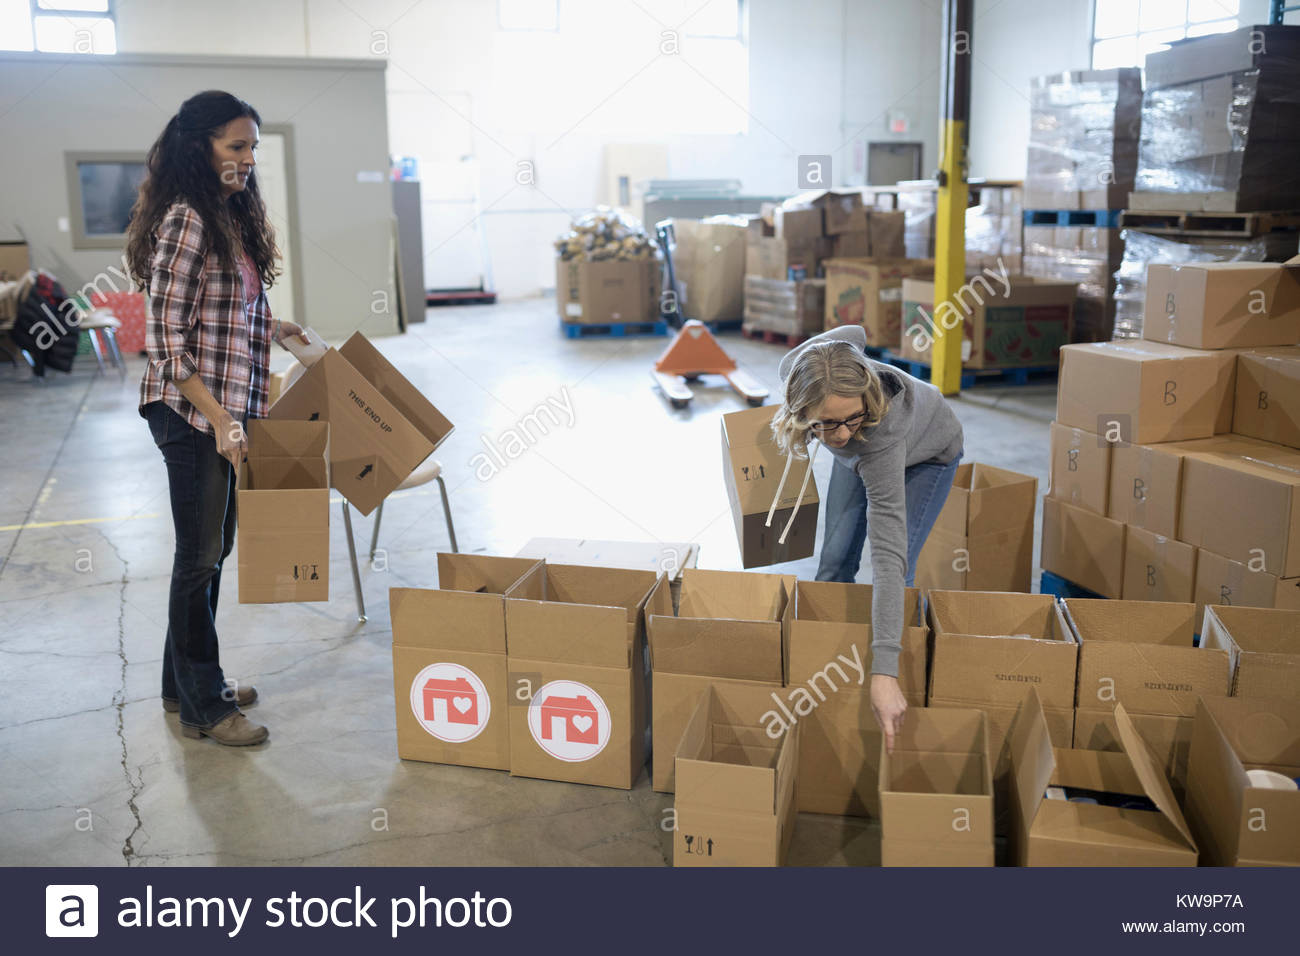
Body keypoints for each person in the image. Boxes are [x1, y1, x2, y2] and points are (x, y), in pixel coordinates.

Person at [126, 90, 308, 746]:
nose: (249, 158)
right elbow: (167, 342)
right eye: (236, 146)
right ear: (198, 145)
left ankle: (183, 687)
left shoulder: (229, 215)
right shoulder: (186, 219)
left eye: (253, 146)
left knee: (212, 551)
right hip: (189, 413)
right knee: (199, 557)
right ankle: (207, 704)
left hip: (224, 411)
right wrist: (221, 418)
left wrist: (276, 326)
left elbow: (222, 313)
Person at [769, 325, 964, 753]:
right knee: (835, 559)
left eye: (849, 418)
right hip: (864, 449)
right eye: (826, 424)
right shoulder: (801, 370)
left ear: (865, 401)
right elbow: (851, 333)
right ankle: (819, 666)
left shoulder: (877, 434)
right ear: (801, 410)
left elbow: (888, 560)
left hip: (926, 453)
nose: (839, 434)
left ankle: (897, 676)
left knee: (900, 562)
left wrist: (884, 672)